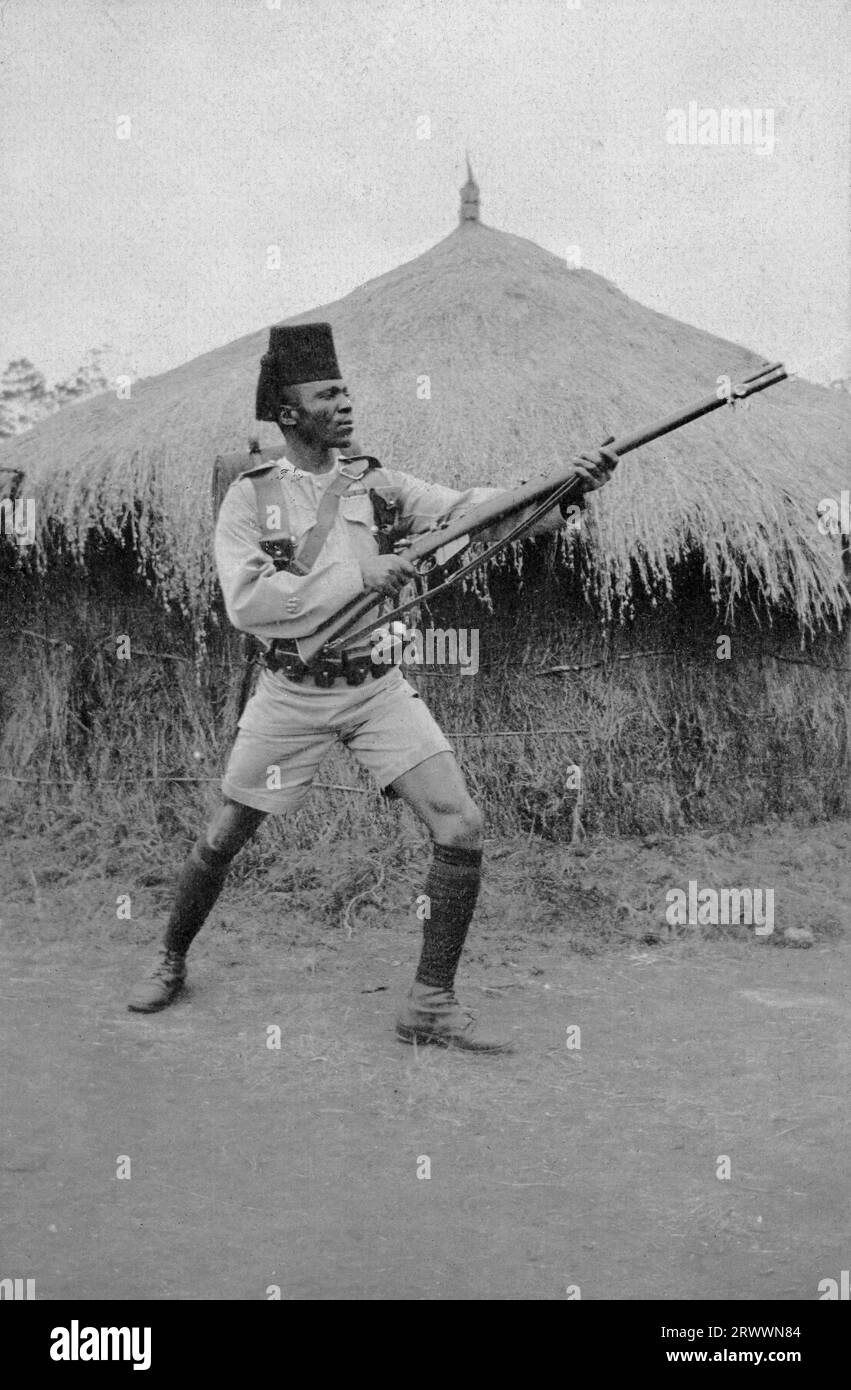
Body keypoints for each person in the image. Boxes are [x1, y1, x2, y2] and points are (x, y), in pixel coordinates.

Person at [128, 323, 617, 1052]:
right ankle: (170, 956)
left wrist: (566, 489)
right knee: (227, 833)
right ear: (289, 414)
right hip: (292, 693)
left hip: (375, 686)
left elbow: (474, 511)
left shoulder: (381, 485)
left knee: (461, 825)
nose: (345, 403)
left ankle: (428, 1003)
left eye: (346, 390)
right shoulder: (250, 498)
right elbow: (248, 600)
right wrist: (358, 574)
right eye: (327, 394)